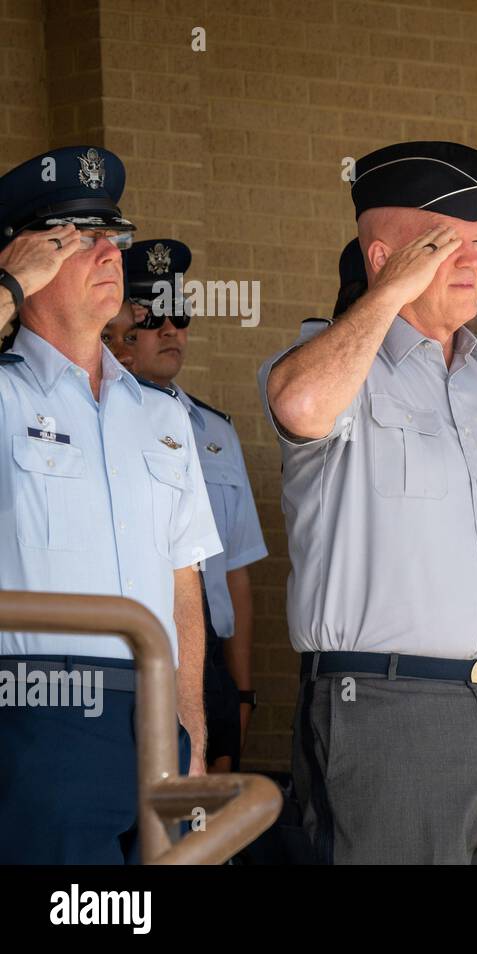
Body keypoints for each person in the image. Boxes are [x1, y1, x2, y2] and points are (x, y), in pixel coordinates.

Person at [259, 140, 477, 864]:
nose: (472, 262)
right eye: (443, 246)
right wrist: (386, 302)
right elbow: (300, 404)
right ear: (383, 258)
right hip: (382, 708)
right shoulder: (332, 360)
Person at [0, 146, 220, 863]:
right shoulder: (6, 394)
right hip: (42, 705)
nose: (109, 254)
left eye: (113, 237)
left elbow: (184, 575)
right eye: (77, 238)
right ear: (27, 258)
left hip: (157, 713)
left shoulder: (161, 415)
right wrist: (5, 285)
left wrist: (190, 717)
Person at [125, 238, 268, 772]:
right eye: (152, 316)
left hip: (211, 667)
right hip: (136, 656)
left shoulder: (216, 433)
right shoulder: (101, 422)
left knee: (206, 831)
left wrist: (244, 692)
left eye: (179, 316)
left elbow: (236, 576)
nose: (170, 330)